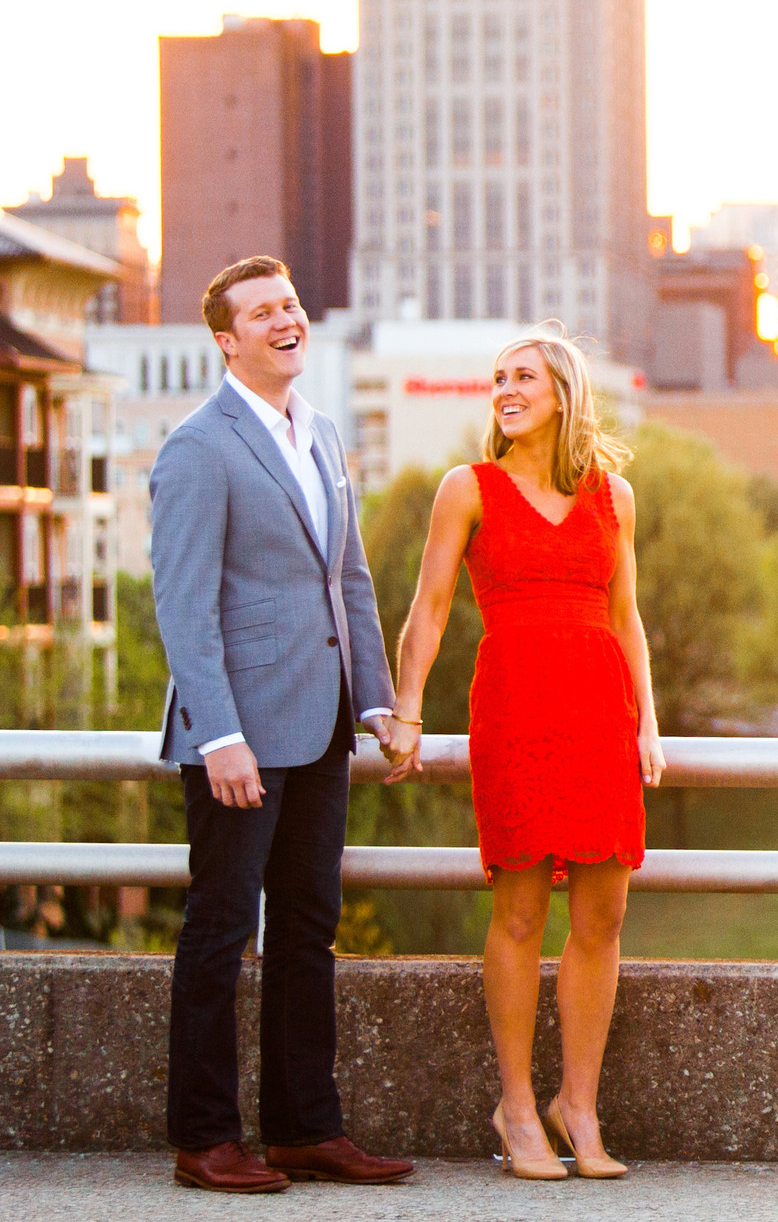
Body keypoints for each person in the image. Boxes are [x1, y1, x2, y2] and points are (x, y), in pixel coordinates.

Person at [152, 256, 416, 1192]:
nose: (284, 320)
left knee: (308, 929)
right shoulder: (199, 446)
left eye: (291, 306)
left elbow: (347, 579)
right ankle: (204, 1139)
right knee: (221, 931)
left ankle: (306, 1128)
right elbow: (184, 604)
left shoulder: (323, 434)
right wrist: (219, 734)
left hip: (324, 723)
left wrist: (377, 702)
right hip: (238, 738)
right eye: (261, 313)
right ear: (227, 340)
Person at [382, 331, 665, 1180]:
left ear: (562, 393)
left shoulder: (614, 496)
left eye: (523, 378)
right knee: (516, 912)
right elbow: (428, 610)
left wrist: (647, 722)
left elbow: (627, 618)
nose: (505, 389)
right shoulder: (467, 489)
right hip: (514, 711)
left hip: (599, 715)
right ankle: (515, 1104)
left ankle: (577, 1103)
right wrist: (406, 709)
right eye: (499, 378)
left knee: (602, 917)